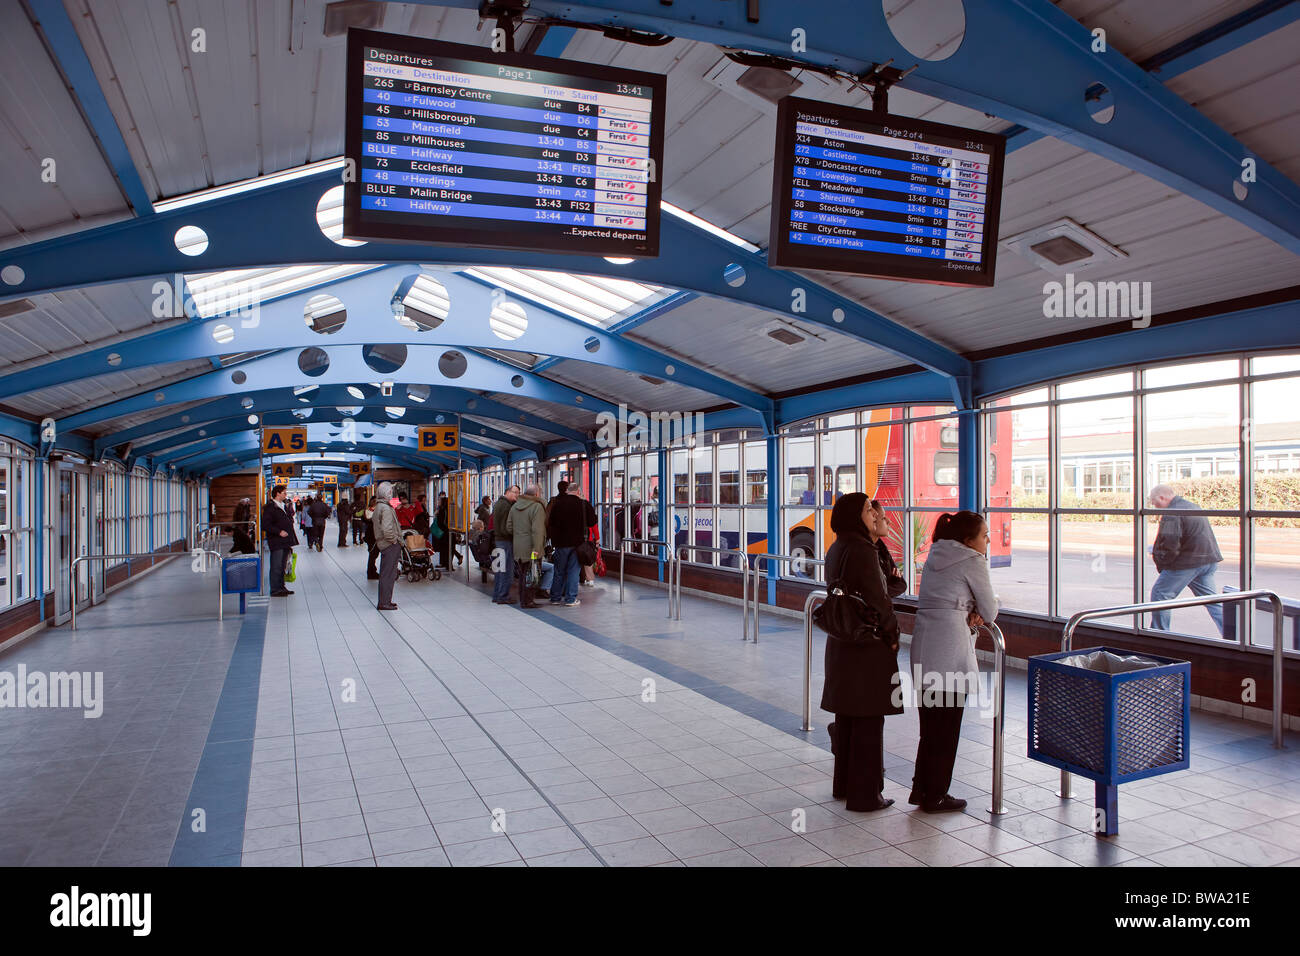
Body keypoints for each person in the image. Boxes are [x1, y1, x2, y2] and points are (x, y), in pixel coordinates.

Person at [908, 510, 998, 814]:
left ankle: (921, 790)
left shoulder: (936, 552)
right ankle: (935, 795)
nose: (987, 540)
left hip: (924, 642)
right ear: (968, 539)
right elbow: (990, 607)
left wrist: (967, 606)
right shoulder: (973, 560)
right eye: (984, 535)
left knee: (931, 725)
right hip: (951, 646)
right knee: (947, 727)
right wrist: (975, 609)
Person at [820, 493, 903, 813]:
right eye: (868, 509)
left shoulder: (838, 545)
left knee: (849, 717)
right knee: (868, 721)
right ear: (856, 516)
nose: (874, 514)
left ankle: (844, 786)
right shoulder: (862, 551)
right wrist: (892, 636)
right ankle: (867, 795)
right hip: (867, 646)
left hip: (842, 642)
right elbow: (880, 600)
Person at [1148, 484, 1224, 634]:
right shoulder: (1192, 506)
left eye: (1154, 501)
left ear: (1162, 497)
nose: (1153, 505)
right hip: (1207, 560)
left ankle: (1158, 634)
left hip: (1188, 563)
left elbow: (1170, 543)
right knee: (1212, 601)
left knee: (1160, 594)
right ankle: (1232, 633)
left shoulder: (1172, 513)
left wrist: (1161, 561)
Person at [506, 484, 553, 609]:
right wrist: (537, 550)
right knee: (533, 574)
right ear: (537, 494)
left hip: (518, 547)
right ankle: (528, 601)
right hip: (533, 548)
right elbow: (538, 531)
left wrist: (520, 535)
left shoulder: (515, 506)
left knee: (522, 574)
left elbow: (509, 527)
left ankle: (523, 599)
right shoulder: (537, 507)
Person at [546, 481, 586, 607]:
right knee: (574, 571)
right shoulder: (583, 504)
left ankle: (555, 598)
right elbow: (592, 521)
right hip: (577, 543)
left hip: (560, 543)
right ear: (578, 491)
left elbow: (550, 522)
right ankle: (570, 599)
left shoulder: (557, 504)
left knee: (559, 570)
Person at [261, 485, 298, 597]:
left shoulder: (283, 506)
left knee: (282, 565)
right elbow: (265, 525)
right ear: (277, 493)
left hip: (286, 541)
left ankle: (281, 587)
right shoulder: (270, 507)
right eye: (284, 493)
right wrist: (278, 531)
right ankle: (275, 589)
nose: (285, 495)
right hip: (277, 541)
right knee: (276, 565)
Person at [372, 482, 402, 610]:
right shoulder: (386, 509)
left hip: (384, 544)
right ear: (387, 493)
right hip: (389, 545)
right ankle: (384, 602)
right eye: (391, 492)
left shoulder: (379, 506)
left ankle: (385, 600)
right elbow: (387, 528)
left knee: (386, 573)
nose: (392, 494)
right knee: (388, 574)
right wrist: (394, 540)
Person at [869, 500, 907, 598]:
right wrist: (892, 583)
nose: (889, 521)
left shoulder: (881, 548)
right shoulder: (865, 552)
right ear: (872, 521)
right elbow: (876, 594)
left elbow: (902, 584)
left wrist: (892, 582)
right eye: (883, 518)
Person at [491, 485, 520, 604]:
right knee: (506, 570)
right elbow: (506, 527)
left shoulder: (498, 503)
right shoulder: (507, 506)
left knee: (499, 570)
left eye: (518, 493)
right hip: (505, 541)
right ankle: (503, 596)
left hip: (498, 541)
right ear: (507, 492)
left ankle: (497, 595)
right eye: (515, 492)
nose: (517, 495)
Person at [363, 496, 379, 580]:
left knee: (373, 555)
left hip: (371, 536)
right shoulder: (370, 511)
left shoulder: (368, 511)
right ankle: (371, 573)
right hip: (373, 536)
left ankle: (372, 571)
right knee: (373, 555)